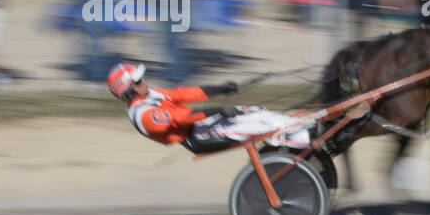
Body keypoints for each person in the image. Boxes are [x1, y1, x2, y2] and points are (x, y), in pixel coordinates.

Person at [106, 62, 309, 151]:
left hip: (203, 124)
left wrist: (219, 89)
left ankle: (302, 127)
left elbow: (180, 94)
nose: (144, 81)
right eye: (138, 80)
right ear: (128, 90)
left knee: (257, 111)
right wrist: (218, 110)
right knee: (259, 126)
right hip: (197, 136)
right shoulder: (142, 114)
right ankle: (305, 138)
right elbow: (180, 119)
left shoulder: (149, 94)